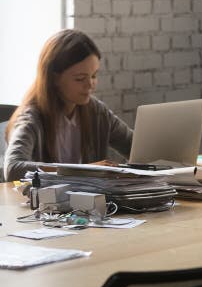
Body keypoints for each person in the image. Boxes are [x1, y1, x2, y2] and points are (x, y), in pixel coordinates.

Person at [4, 30, 133, 181]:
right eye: (80, 78)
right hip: (44, 204)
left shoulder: (97, 112)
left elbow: (135, 146)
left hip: (88, 203)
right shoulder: (32, 117)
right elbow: (13, 168)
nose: (90, 85)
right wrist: (82, 170)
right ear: (54, 78)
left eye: (94, 75)